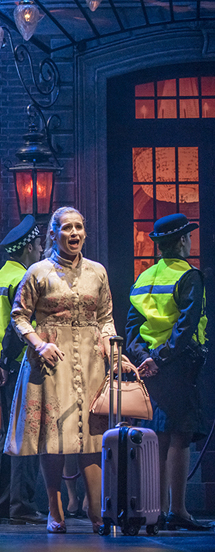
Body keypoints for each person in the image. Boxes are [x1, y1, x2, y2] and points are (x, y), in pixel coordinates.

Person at [4, 206, 129, 534]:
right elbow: (19, 316)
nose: (74, 234)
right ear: (54, 234)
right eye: (67, 228)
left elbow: (106, 317)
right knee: (54, 438)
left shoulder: (97, 272)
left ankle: (97, 512)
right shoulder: (38, 272)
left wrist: (111, 349)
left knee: (92, 437)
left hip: (89, 361)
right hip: (51, 361)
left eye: (79, 228)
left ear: (85, 233)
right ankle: (55, 509)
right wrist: (39, 344)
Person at [126, 213, 211, 531]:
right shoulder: (188, 275)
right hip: (178, 367)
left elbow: (132, 327)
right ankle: (178, 509)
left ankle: (157, 509)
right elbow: (187, 326)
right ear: (181, 241)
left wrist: (145, 358)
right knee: (181, 437)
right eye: (188, 236)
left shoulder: (144, 277)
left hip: (150, 369)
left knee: (159, 437)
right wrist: (161, 358)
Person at [0, 215, 46, 524]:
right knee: (27, 436)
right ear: (30, 248)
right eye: (39, 245)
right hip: (22, 364)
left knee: (9, 437)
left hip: (5, 367)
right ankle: (23, 506)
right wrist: (7, 362)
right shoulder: (23, 279)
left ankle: (1, 505)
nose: (42, 249)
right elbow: (15, 327)